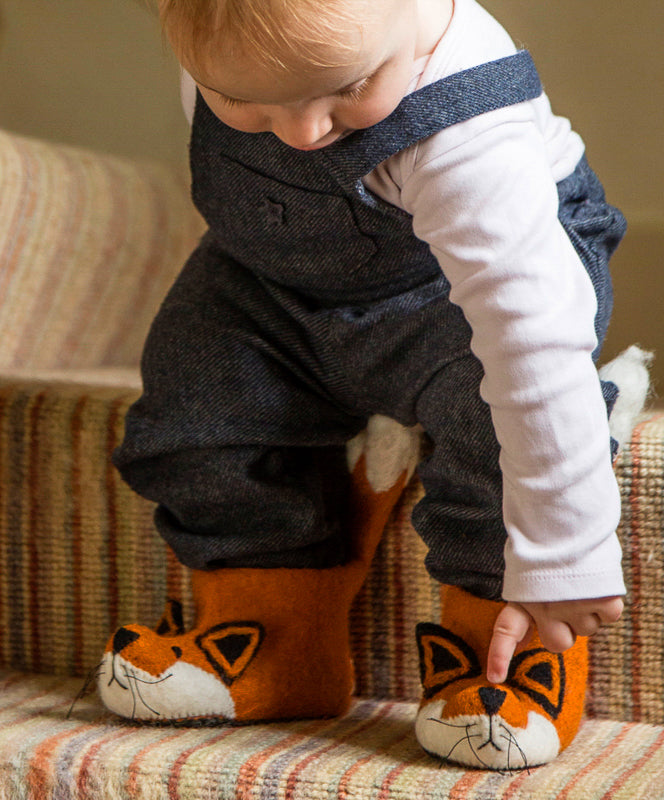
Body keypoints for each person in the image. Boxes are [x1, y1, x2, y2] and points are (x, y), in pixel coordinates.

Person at [100, 0, 634, 768]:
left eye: (348, 86)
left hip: (461, 296)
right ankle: (278, 641)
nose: (301, 132)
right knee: (195, 390)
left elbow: (532, 341)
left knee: (486, 412)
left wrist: (563, 551)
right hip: (275, 276)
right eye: (242, 99)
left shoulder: (465, 132)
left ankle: (498, 663)